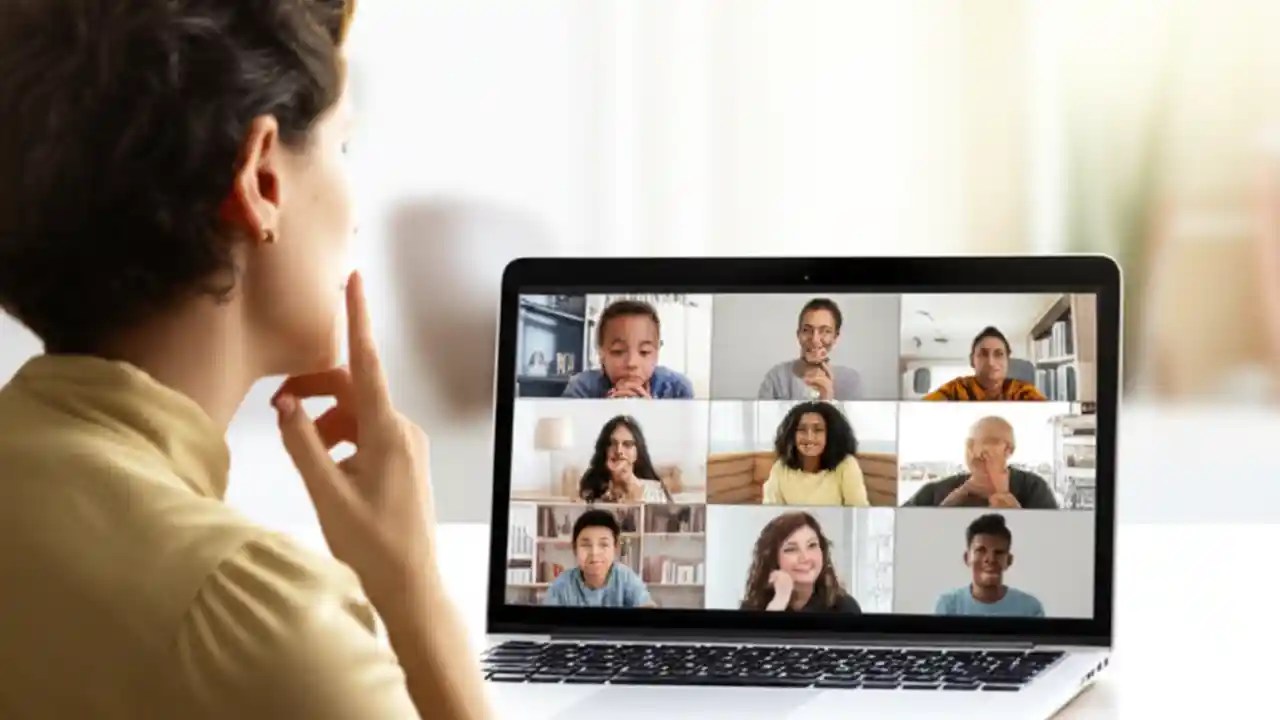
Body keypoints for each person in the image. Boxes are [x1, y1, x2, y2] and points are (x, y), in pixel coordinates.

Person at [0, 2, 487, 718]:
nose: (355, 213)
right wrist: (415, 597)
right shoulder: (265, 626)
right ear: (262, 181)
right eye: (342, 147)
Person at [903, 416, 1059, 509]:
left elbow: (1054, 538)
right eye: (970, 443)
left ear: (1009, 450)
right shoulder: (935, 492)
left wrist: (1016, 514)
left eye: (988, 441)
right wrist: (946, 508)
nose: (974, 450)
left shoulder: (1034, 488)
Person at [562, 299, 694, 399]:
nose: (631, 363)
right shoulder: (581, 389)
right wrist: (606, 411)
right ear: (601, 352)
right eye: (618, 352)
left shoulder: (677, 388)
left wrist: (651, 413)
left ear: (657, 352)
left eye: (644, 352)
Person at [739, 512, 862, 613]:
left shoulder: (844, 607)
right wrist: (779, 601)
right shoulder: (752, 608)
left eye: (812, 545)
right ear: (772, 558)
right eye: (791, 549)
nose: (805, 558)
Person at [935, 514, 1045, 618]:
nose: (991, 559)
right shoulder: (949, 606)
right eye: (981, 550)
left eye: (998, 552)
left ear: (1009, 560)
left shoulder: (1030, 609)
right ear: (967, 558)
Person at [762, 401, 869, 506]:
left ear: (831, 434)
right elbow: (770, 511)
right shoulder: (780, 467)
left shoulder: (846, 465)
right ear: (791, 435)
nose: (809, 437)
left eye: (818, 430)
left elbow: (858, 511)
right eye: (802, 429)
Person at [544, 510, 656, 608]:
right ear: (574, 549)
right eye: (586, 545)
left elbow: (648, 611)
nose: (594, 553)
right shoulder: (561, 585)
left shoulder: (626, 579)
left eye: (603, 544)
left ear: (616, 548)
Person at [758, 298, 864, 400]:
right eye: (807, 330)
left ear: (835, 337)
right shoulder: (776, 378)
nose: (815, 340)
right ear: (798, 334)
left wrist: (828, 400)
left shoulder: (850, 381)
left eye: (825, 331)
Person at [925, 326, 1047, 401]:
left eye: (998, 354)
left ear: (1007, 360)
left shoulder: (1022, 391)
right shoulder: (956, 389)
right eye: (983, 354)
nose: (991, 362)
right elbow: (923, 410)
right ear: (972, 360)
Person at [579, 415, 673, 504]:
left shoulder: (657, 493)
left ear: (637, 452)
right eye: (612, 443)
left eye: (627, 444)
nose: (619, 451)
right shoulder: (593, 495)